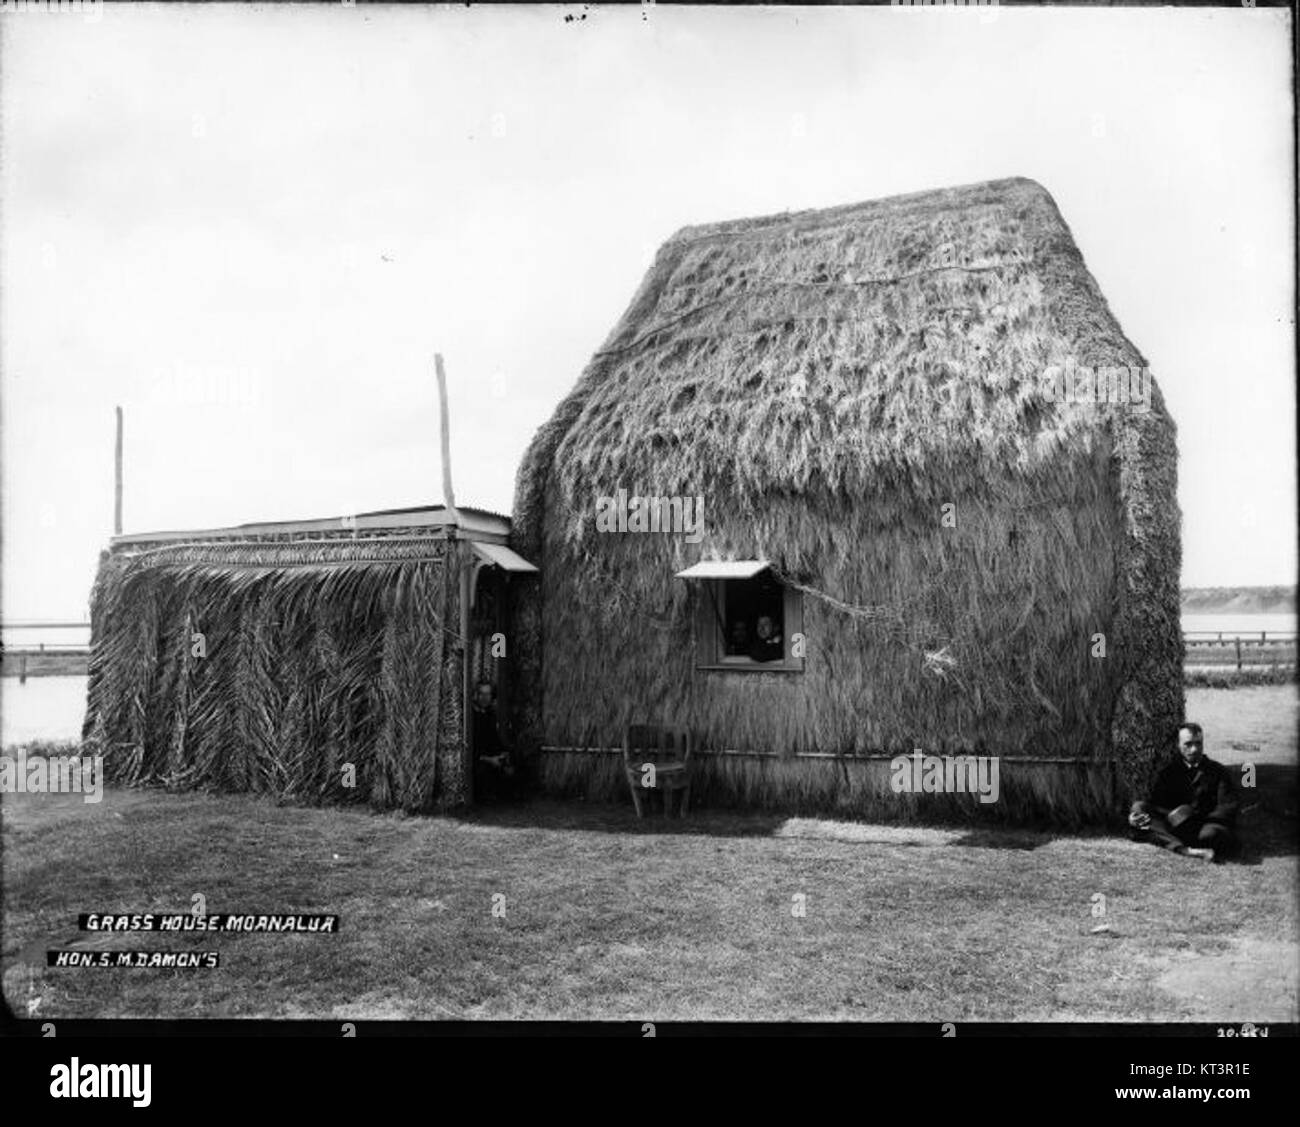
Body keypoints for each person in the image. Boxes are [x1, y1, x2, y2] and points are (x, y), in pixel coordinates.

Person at [1129, 722, 1239, 861]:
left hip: (1204, 826)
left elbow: (1228, 807)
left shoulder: (1218, 771)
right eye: (1188, 744)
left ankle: (1167, 841)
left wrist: (1196, 817)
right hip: (1175, 827)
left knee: (1212, 834)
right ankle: (1185, 850)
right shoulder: (1169, 772)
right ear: (1178, 745)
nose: (1194, 749)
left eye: (1198, 743)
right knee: (1139, 808)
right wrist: (1135, 817)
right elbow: (1156, 804)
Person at [471, 681, 518, 802]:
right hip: (478, 760)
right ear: (475, 695)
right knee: (484, 771)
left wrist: (504, 753)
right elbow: (473, 748)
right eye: (481, 694)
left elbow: (494, 739)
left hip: (492, 757)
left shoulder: (489, 715)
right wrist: (490, 760)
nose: (485, 698)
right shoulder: (471, 717)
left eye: (488, 694)